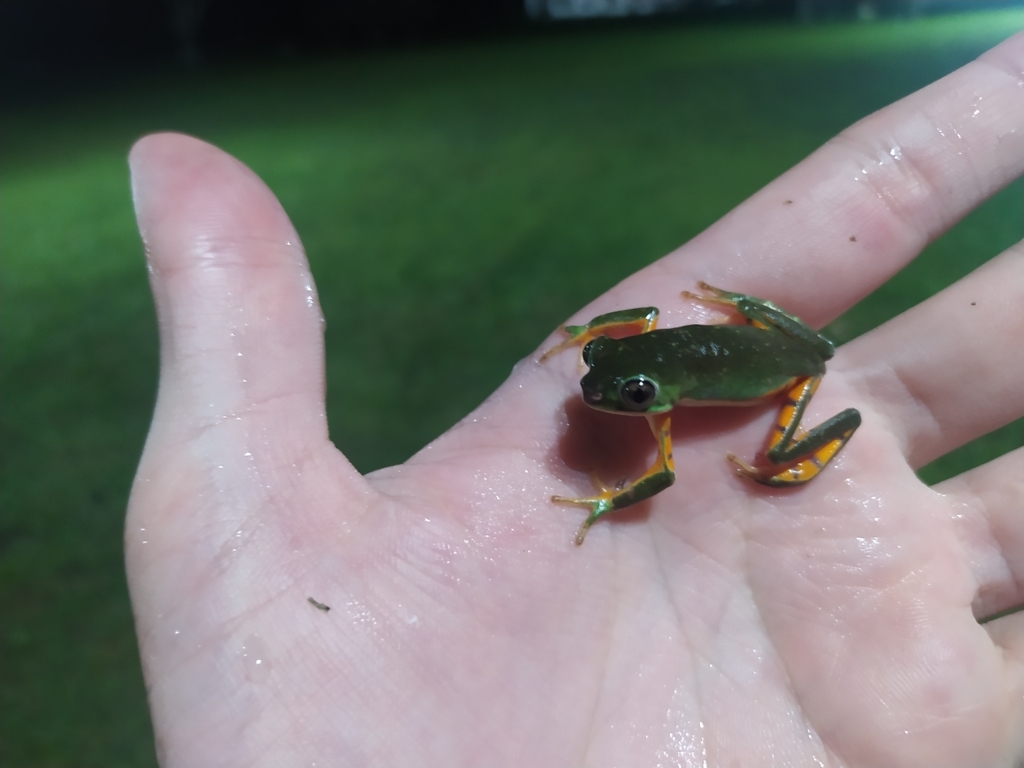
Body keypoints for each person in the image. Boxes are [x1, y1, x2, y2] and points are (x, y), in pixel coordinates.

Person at [125, 30, 1024, 767]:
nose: (606, 401)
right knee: (757, 345)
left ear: (652, 395)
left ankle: (793, 460)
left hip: (788, 371)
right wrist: (600, 348)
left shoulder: (662, 420)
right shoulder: (636, 370)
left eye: (626, 395)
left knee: (786, 435)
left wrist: (607, 497)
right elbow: (626, 331)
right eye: (613, 386)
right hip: (748, 337)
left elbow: (660, 480)